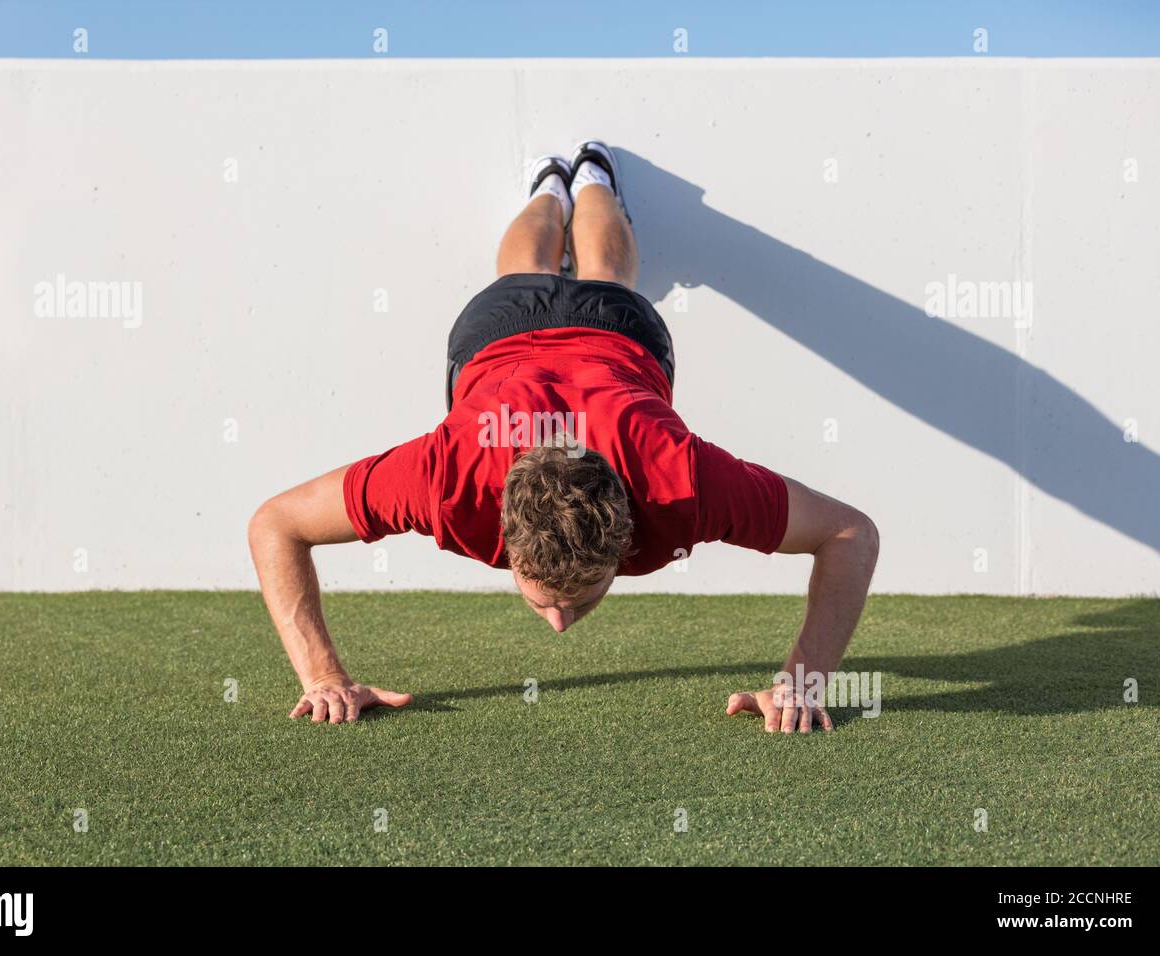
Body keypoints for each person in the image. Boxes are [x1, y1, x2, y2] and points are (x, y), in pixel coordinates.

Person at [247, 141, 879, 734]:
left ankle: (590, 173)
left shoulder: (677, 481)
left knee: (605, 276)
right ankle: (553, 185)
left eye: (581, 598)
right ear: (500, 524)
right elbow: (275, 524)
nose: (558, 624)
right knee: (536, 273)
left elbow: (852, 534)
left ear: (630, 529)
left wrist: (804, 683)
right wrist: (322, 677)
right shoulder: (447, 476)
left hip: (612, 338)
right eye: (550, 599)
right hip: (507, 337)